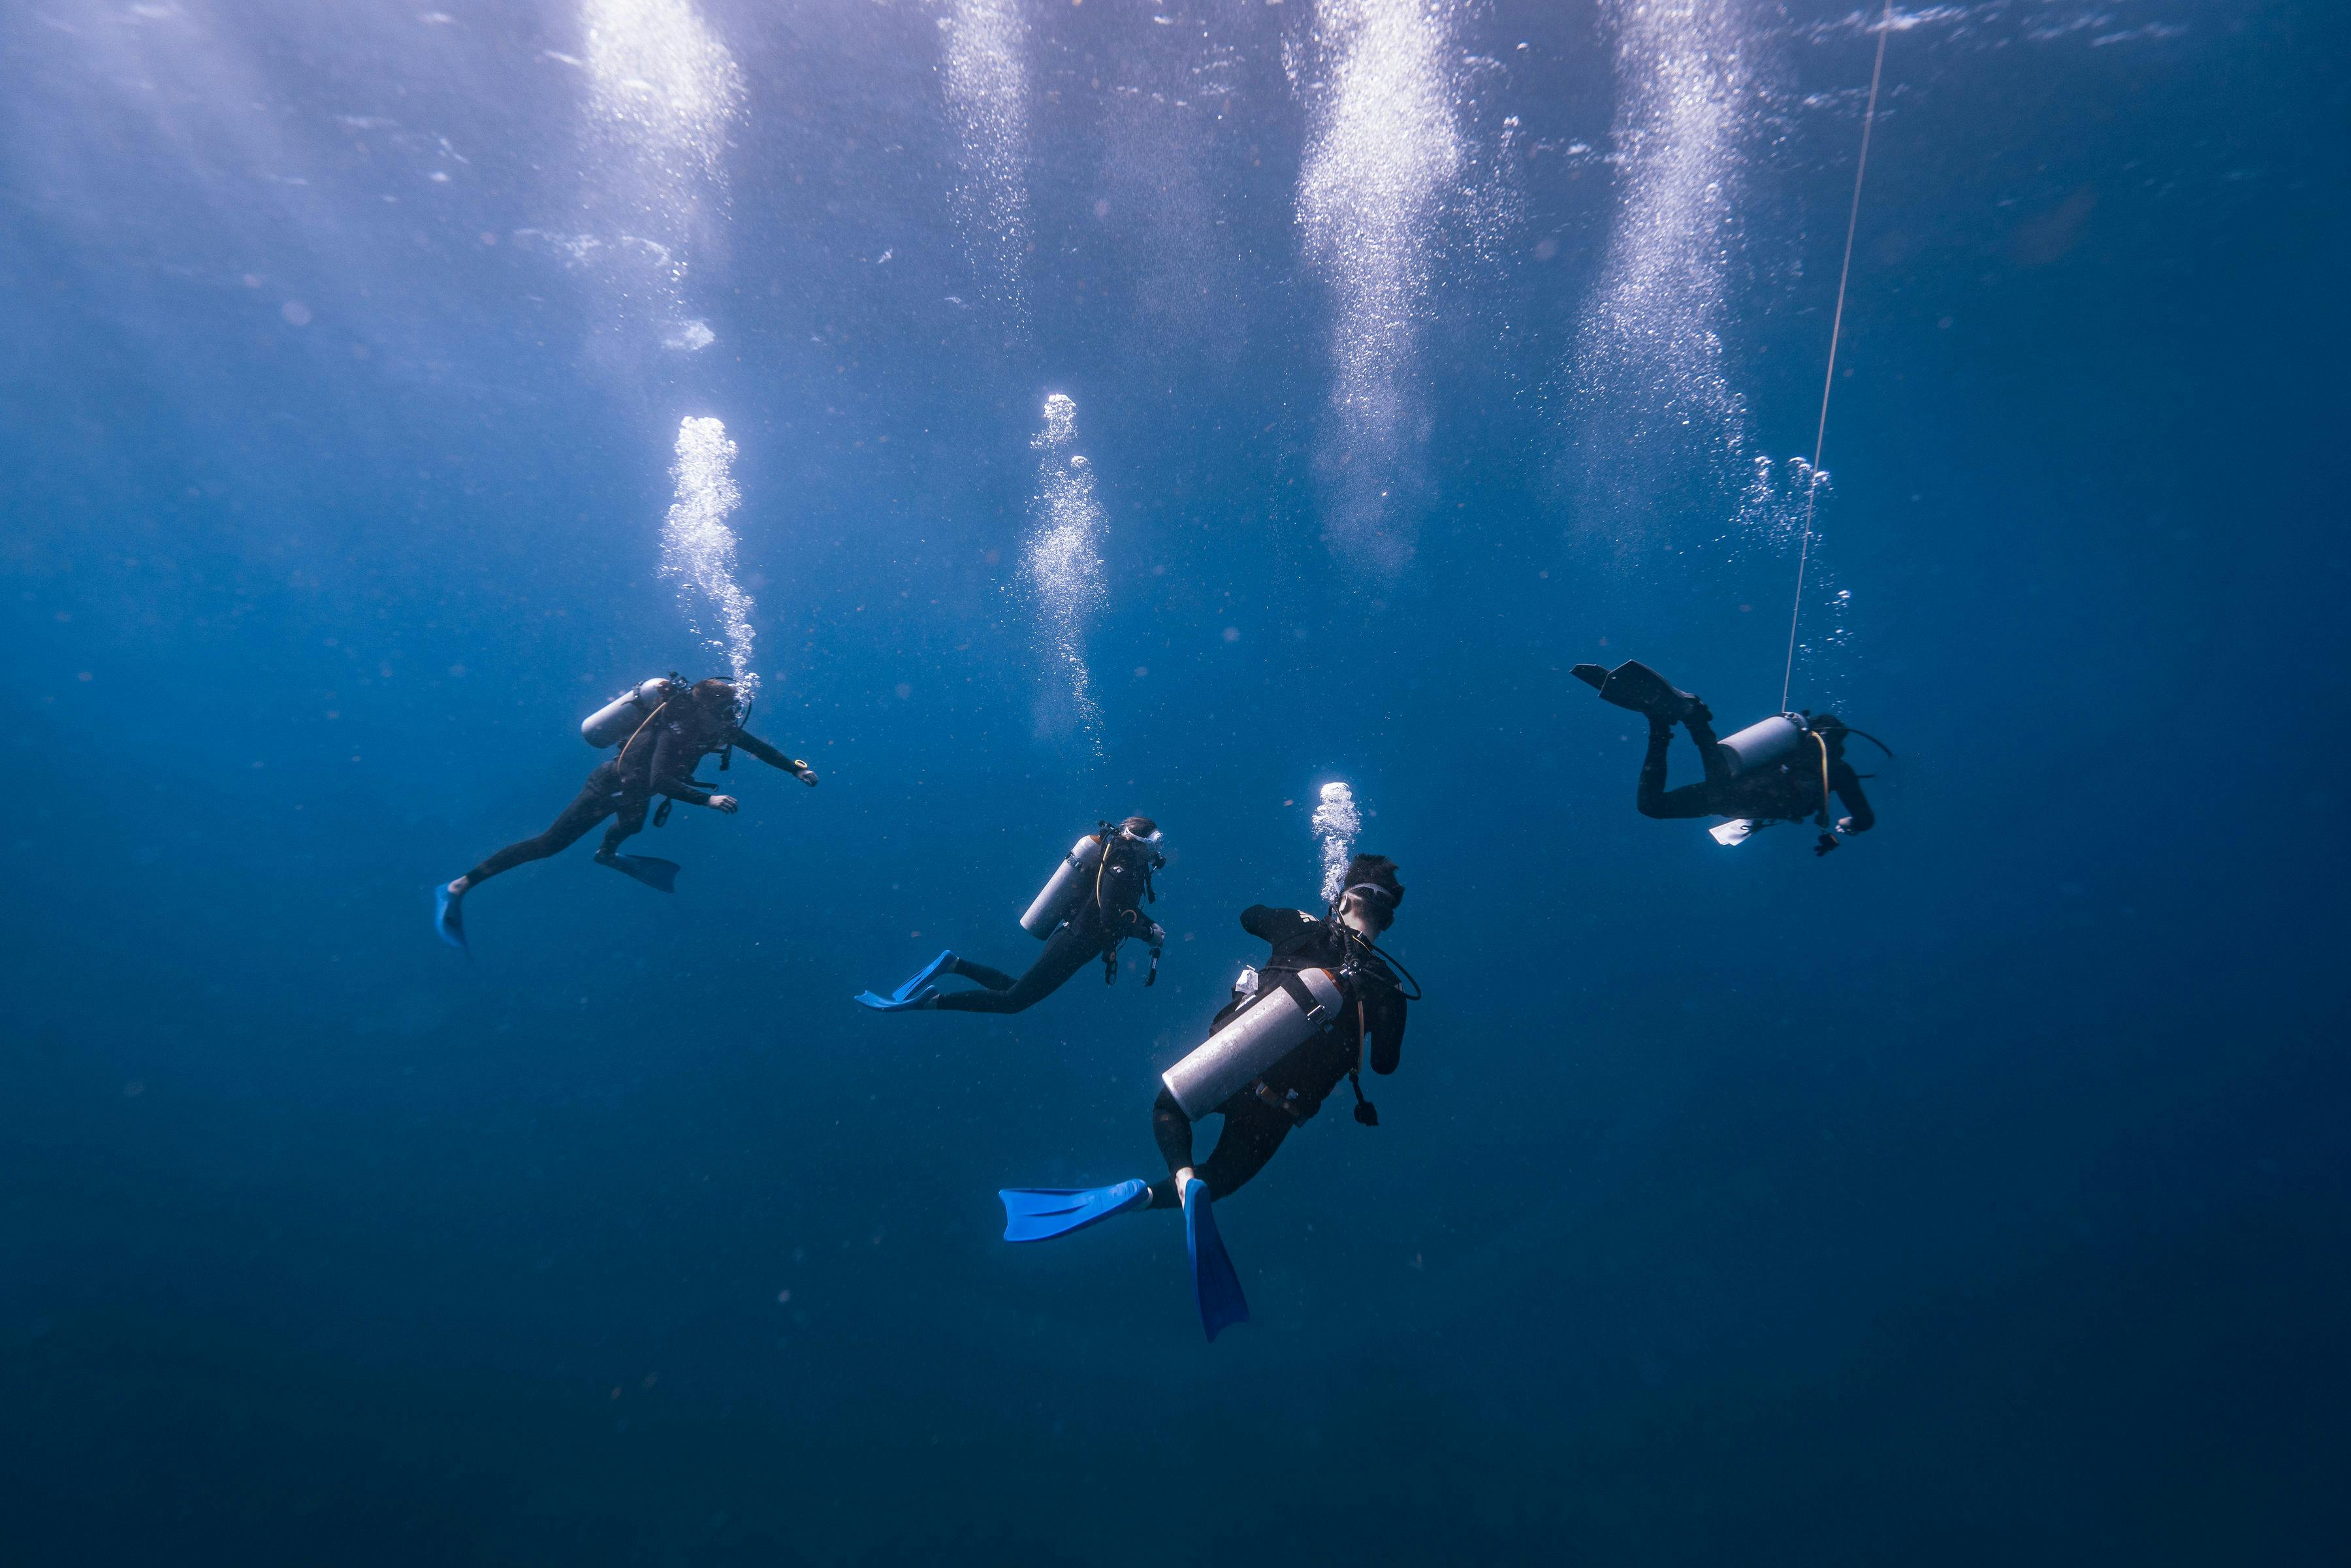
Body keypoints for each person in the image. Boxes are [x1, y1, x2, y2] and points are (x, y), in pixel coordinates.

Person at [993, 854, 1414, 1340]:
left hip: (1233, 1062)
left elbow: (1250, 915)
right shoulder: (1391, 988)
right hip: (1281, 1105)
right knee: (1225, 1179)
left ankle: (1180, 1171)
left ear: (1342, 898)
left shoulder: (1301, 928)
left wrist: (1306, 922)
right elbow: (1384, 1064)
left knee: (1168, 1109)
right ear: (1386, 921)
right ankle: (1161, 1192)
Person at [432, 677, 816, 948]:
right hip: (611, 784)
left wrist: (797, 767)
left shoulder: (717, 728)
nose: (731, 721)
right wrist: (707, 801)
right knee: (549, 844)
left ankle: (606, 854)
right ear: (704, 710)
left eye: (732, 712)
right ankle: (458, 887)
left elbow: (763, 749)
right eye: (725, 713)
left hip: (636, 790)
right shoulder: (676, 728)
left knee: (632, 824)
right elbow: (662, 780)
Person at [855, 817, 1167, 1014]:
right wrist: (1147, 931)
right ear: (1135, 842)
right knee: (1013, 1001)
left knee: (1014, 989)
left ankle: (954, 964)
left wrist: (1145, 925)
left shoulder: (1129, 866)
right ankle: (933, 1001)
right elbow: (1110, 916)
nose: (1157, 849)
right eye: (1152, 842)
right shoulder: (1121, 868)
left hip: (1077, 942)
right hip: (1074, 944)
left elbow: (1117, 911)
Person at [1575, 659, 1876, 855]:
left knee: (1654, 805)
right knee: (1684, 798)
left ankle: (1659, 725)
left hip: (1741, 792)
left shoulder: (1795, 749)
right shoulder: (1838, 769)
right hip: (1747, 798)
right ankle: (1693, 717)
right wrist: (1847, 825)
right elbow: (1865, 819)